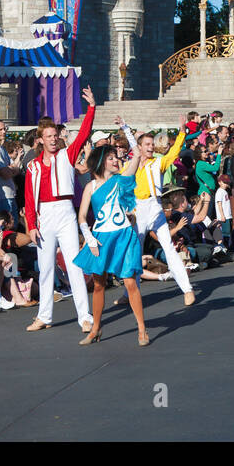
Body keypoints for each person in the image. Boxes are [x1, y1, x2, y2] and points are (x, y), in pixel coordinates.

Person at [23, 87, 98, 333]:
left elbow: (84, 133)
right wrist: (31, 225)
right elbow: (28, 199)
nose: (53, 139)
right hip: (45, 215)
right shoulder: (33, 166)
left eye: (55, 135)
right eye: (49, 136)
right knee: (45, 268)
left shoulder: (67, 155)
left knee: (74, 265)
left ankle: (84, 317)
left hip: (65, 212)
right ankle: (44, 316)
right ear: (40, 139)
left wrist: (91, 108)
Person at [75, 142, 150, 346]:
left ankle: (142, 330)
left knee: (130, 282)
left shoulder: (121, 180)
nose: (116, 160)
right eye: (110, 158)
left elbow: (136, 156)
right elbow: (82, 216)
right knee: (99, 285)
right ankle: (96, 329)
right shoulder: (90, 187)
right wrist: (89, 239)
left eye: (115, 157)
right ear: (100, 162)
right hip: (100, 238)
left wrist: (126, 129)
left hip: (123, 236)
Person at [120, 115, 196, 306]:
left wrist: (181, 130)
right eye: (147, 144)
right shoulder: (131, 165)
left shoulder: (158, 162)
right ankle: (130, 292)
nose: (151, 147)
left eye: (152, 144)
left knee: (169, 249)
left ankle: (187, 289)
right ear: (139, 147)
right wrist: (126, 129)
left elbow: (174, 153)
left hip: (154, 207)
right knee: (134, 253)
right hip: (137, 210)